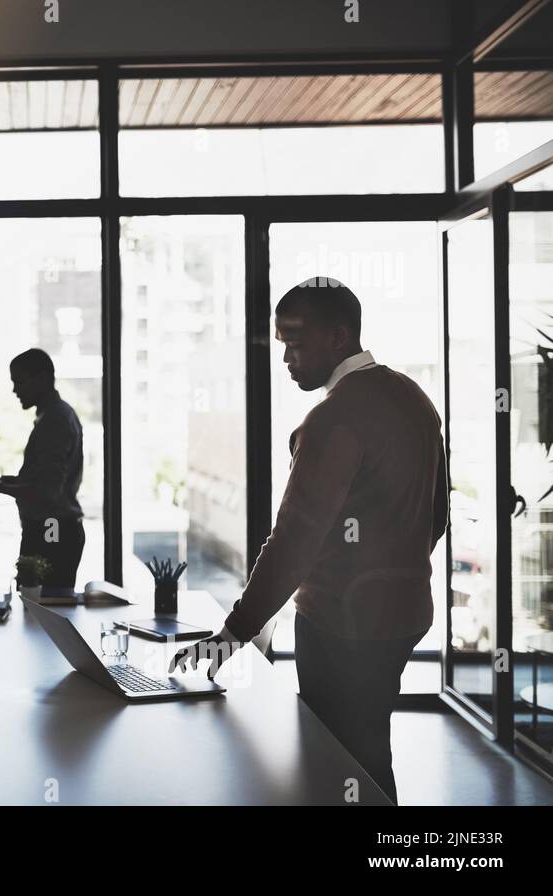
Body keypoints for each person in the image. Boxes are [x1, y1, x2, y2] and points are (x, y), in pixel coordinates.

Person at [171, 278, 447, 804]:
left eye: (296, 345)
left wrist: (232, 634)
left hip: (342, 621)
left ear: (339, 336)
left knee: (342, 763)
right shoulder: (414, 398)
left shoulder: (332, 418)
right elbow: (436, 517)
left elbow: (294, 543)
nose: (287, 359)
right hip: (404, 613)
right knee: (364, 753)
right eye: (282, 346)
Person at [0, 348, 85, 590]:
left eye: (20, 381)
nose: (15, 390)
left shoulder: (54, 421)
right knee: (43, 611)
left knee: (41, 610)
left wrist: (1, 487)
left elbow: (48, 491)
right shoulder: (58, 415)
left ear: (42, 378)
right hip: (54, 529)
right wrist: (7, 484)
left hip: (50, 530)